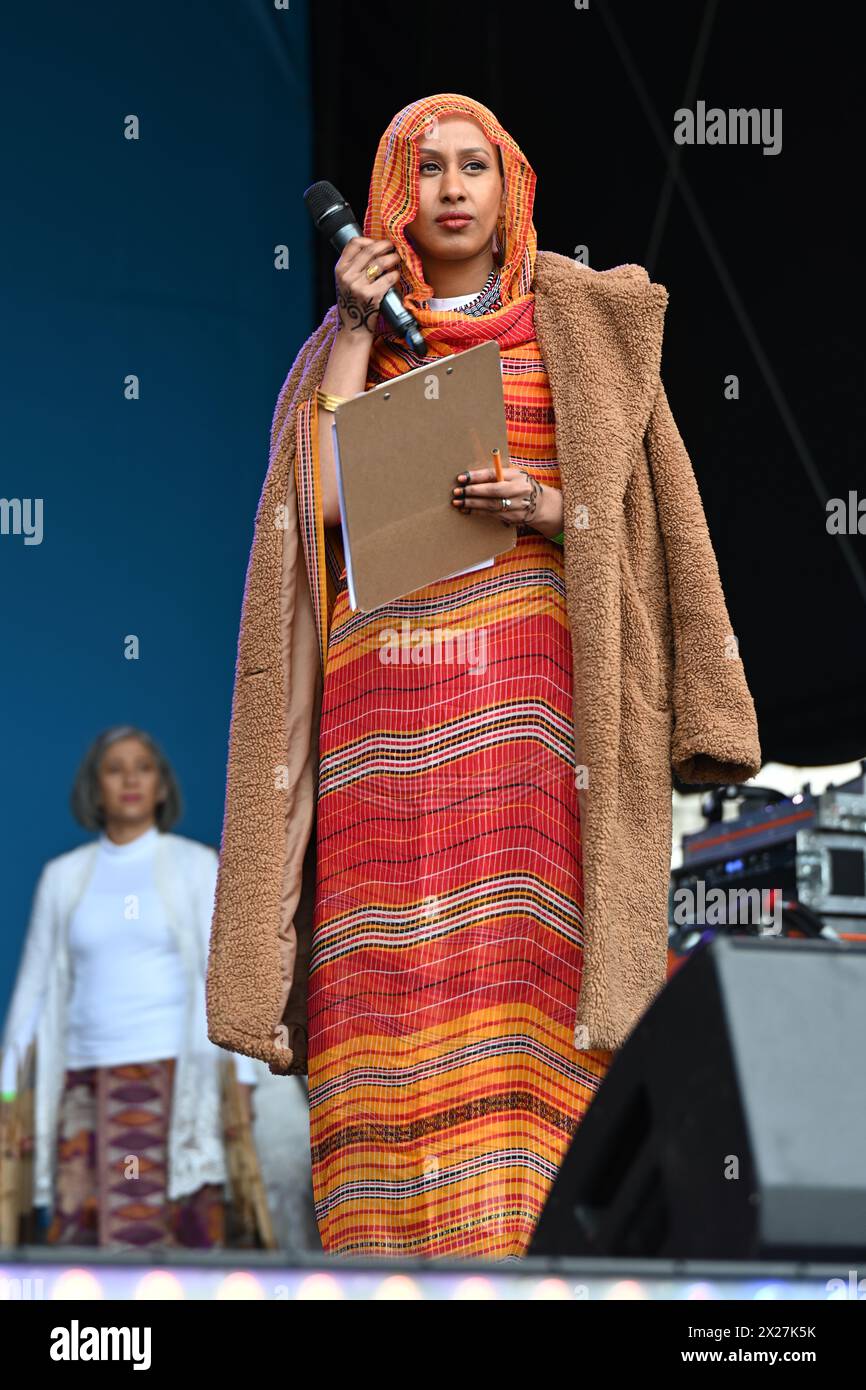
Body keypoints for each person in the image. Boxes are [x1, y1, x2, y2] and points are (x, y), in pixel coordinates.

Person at [206, 93, 762, 1260]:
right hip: (381, 746)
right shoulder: (335, 350)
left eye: (474, 166)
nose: (450, 189)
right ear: (386, 198)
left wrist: (547, 508)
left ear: (511, 189)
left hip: (528, 736)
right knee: (386, 1002)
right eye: (425, 170)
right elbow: (305, 521)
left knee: (531, 992)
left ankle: (535, 1267)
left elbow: (648, 530)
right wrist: (355, 330)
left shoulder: (582, 333)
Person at [2, 726, 261, 1249]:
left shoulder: (194, 867)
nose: (129, 779)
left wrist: (244, 1077)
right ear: (95, 788)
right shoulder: (63, 876)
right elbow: (33, 990)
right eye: (114, 768)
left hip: (177, 1075)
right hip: (81, 1079)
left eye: (142, 767)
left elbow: (225, 977)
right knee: (82, 1241)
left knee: (184, 1232)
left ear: (161, 786)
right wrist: (9, 1094)